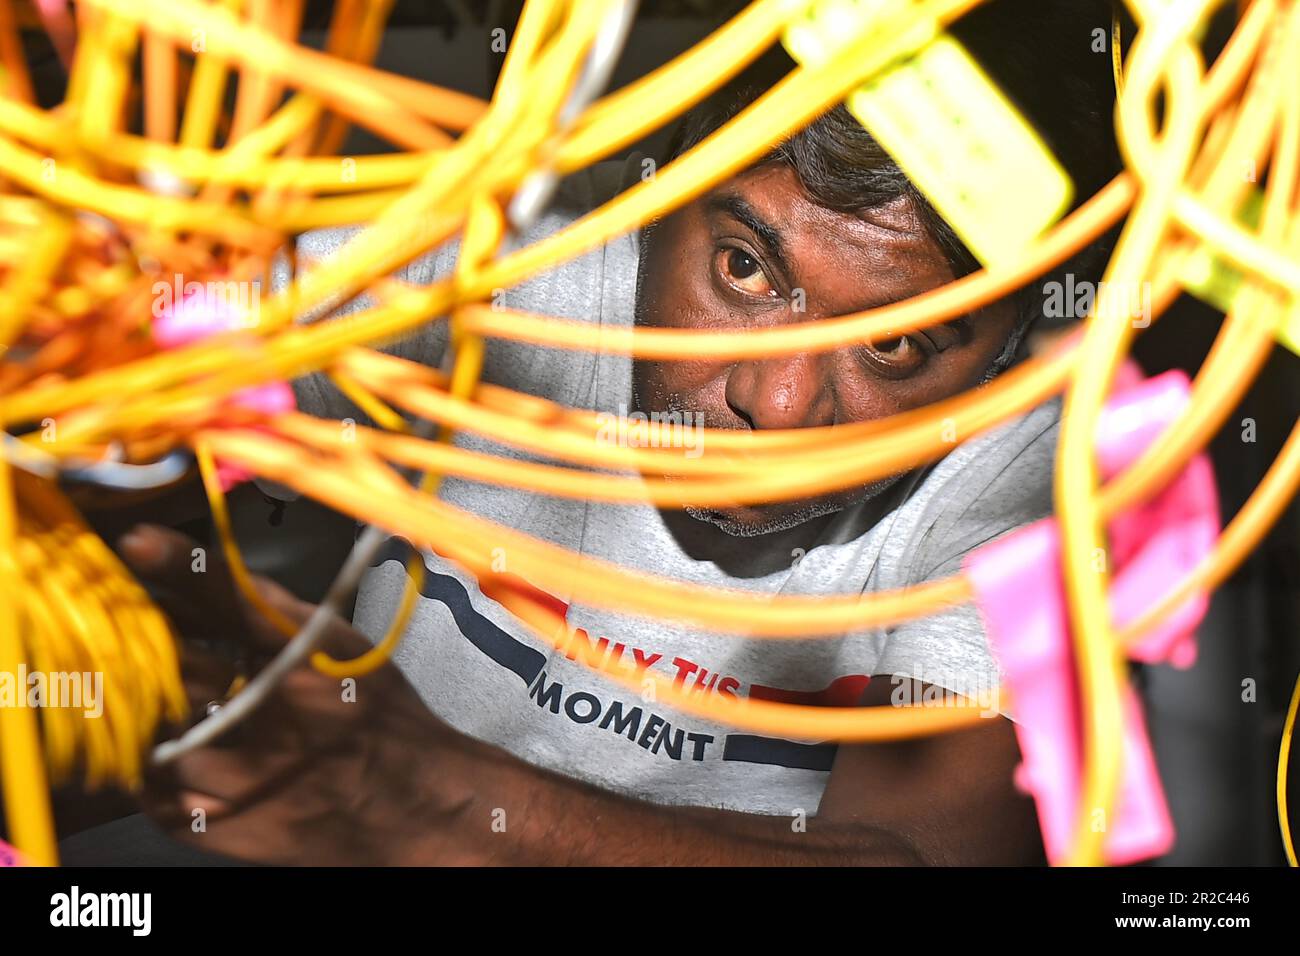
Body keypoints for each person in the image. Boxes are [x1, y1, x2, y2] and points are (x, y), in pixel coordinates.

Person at [116, 0, 1120, 865]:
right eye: (743, 270)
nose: (775, 404)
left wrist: (424, 797)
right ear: (668, 184)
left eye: (893, 344)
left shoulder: (1032, 471)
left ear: (1006, 350)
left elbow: (923, 855)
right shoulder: (499, 282)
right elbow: (129, 388)